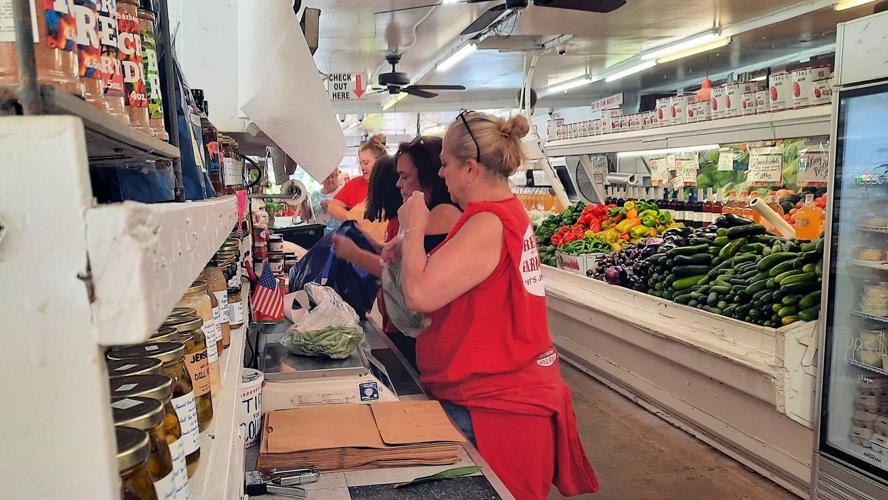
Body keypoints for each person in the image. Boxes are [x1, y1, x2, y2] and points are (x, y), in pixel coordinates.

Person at [387, 111, 600, 499]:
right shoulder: (499, 214)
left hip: (495, 409)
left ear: (470, 168)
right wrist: (407, 248)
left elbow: (419, 295)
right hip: (498, 400)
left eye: (445, 164)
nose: (441, 174)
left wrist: (414, 226)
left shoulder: (488, 223)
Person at [327, 134, 387, 221]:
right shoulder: (356, 183)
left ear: (380, 161)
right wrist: (353, 219)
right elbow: (333, 206)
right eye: (360, 163)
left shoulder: (394, 183)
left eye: (366, 163)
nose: (362, 167)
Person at [301, 167, 342, 234]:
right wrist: (303, 203)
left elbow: (351, 213)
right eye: (327, 177)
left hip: (338, 235)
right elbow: (305, 218)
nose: (330, 180)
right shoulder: (315, 195)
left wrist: (332, 206)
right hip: (318, 235)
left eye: (332, 176)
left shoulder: (344, 191)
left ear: (337, 176)